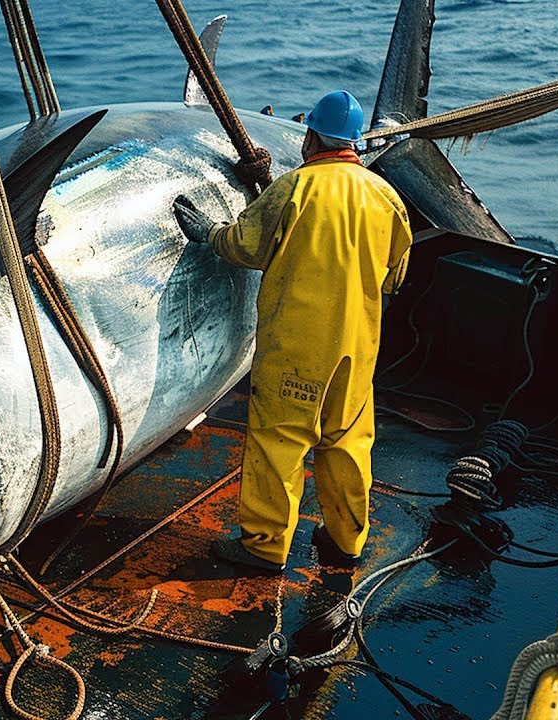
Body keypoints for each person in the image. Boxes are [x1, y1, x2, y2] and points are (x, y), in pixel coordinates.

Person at [173, 91, 413, 572]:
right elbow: (396, 274)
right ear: (354, 143)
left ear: (311, 137)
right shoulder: (386, 196)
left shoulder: (294, 188)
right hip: (357, 347)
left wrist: (208, 233)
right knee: (346, 442)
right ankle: (347, 541)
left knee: (280, 442)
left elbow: (246, 247)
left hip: (297, 345)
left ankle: (264, 548)